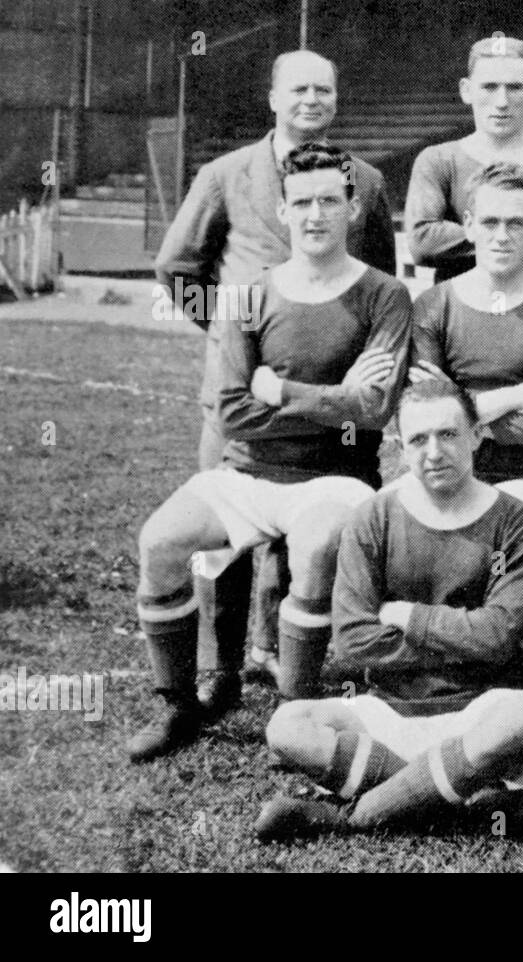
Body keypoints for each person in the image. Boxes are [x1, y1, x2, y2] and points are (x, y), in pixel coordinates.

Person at [129, 144, 411, 761]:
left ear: (354, 208)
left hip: (337, 474)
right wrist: (337, 396)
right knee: (160, 542)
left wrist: (284, 391)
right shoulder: (249, 294)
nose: (316, 215)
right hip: (248, 471)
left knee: (312, 551)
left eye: (329, 202)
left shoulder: (385, 295)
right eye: (302, 203)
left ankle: (293, 718)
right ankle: (177, 705)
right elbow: (231, 410)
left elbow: (375, 410)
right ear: (283, 211)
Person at [254, 378, 523, 840]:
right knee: (287, 726)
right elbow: (353, 639)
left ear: (476, 435)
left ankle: (353, 818)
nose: (434, 451)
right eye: (418, 439)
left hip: (478, 714)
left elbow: (497, 638)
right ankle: (450, 799)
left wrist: (410, 618)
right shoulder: (373, 516)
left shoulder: (517, 522)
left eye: (448, 434)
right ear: (402, 448)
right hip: (387, 712)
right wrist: (462, 637)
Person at [411, 162, 523, 646]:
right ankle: (435, 663)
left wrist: (460, 414)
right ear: (468, 226)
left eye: (516, 223)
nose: (502, 235)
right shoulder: (435, 305)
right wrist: (515, 395)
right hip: (445, 470)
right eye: (489, 222)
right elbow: (423, 412)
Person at [404, 35, 523, 283]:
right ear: (466, 91)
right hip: (459, 312)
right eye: (489, 87)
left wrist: (466, 239)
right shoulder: (438, 160)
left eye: (514, 88)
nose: (502, 102)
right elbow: (422, 242)